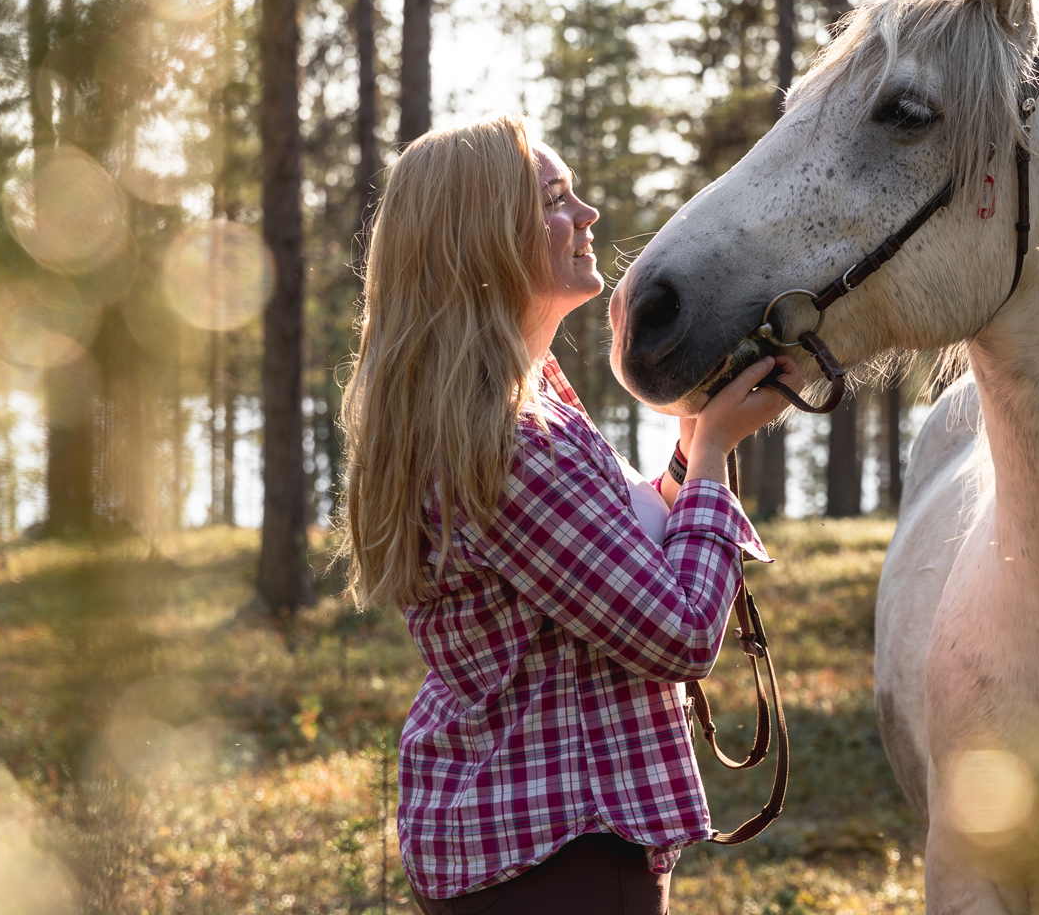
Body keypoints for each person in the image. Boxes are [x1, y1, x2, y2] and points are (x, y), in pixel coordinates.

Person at [335, 114, 797, 915]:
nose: (585, 216)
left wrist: (692, 444)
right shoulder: (512, 442)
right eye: (555, 199)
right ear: (484, 239)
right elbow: (680, 633)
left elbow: (612, 549)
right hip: (560, 856)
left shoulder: (515, 407)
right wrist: (718, 451)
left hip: (515, 839)